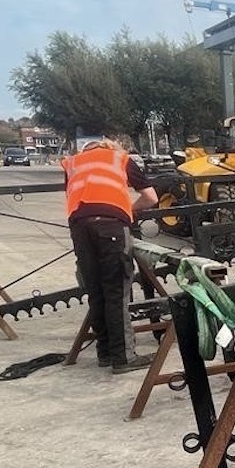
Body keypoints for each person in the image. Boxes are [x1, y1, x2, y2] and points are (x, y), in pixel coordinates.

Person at [63, 138, 159, 374]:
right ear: (111, 147)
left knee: (96, 292)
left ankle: (105, 353)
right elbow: (151, 198)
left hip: (80, 228)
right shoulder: (120, 159)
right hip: (111, 228)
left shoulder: (73, 163)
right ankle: (123, 358)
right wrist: (127, 208)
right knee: (116, 292)